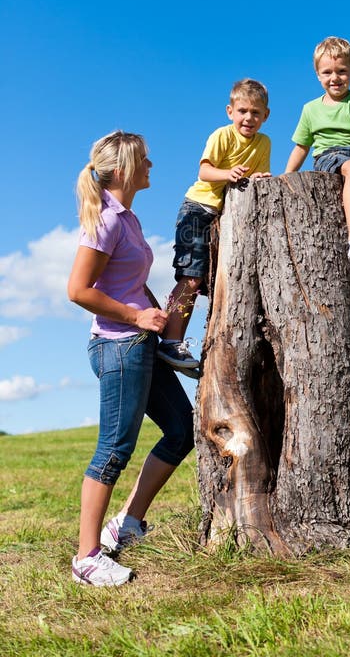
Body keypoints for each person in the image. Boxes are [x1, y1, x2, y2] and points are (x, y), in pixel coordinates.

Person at [68, 131, 195, 586]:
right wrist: (136, 317)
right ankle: (87, 557)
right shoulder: (104, 220)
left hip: (141, 345)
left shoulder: (129, 220)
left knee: (183, 429)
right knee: (113, 450)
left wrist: (161, 323)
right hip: (117, 346)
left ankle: (128, 523)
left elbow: (134, 286)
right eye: (145, 159)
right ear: (122, 169)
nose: (151, 165)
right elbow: (78, 290)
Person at [158, 78, 271, 372]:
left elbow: (253, 175)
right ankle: (170, 342)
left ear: (265, 115)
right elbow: (205, 171)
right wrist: (228, 173)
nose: (249, 118)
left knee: (215, 282)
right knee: (191, 276)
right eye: (243, 111)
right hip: (197, 209)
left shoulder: (263, 143)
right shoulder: (221, 135)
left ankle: (210, 345)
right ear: (230, 111)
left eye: (256, 113)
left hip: (223, 217)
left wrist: (257, 179)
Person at [285, 36, 350, 267]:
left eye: (342, 71)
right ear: (317, 74)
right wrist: (286, 176)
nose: (335, 78)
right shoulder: (310, 109)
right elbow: (302, 146)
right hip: (328, 156)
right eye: (327, 72)